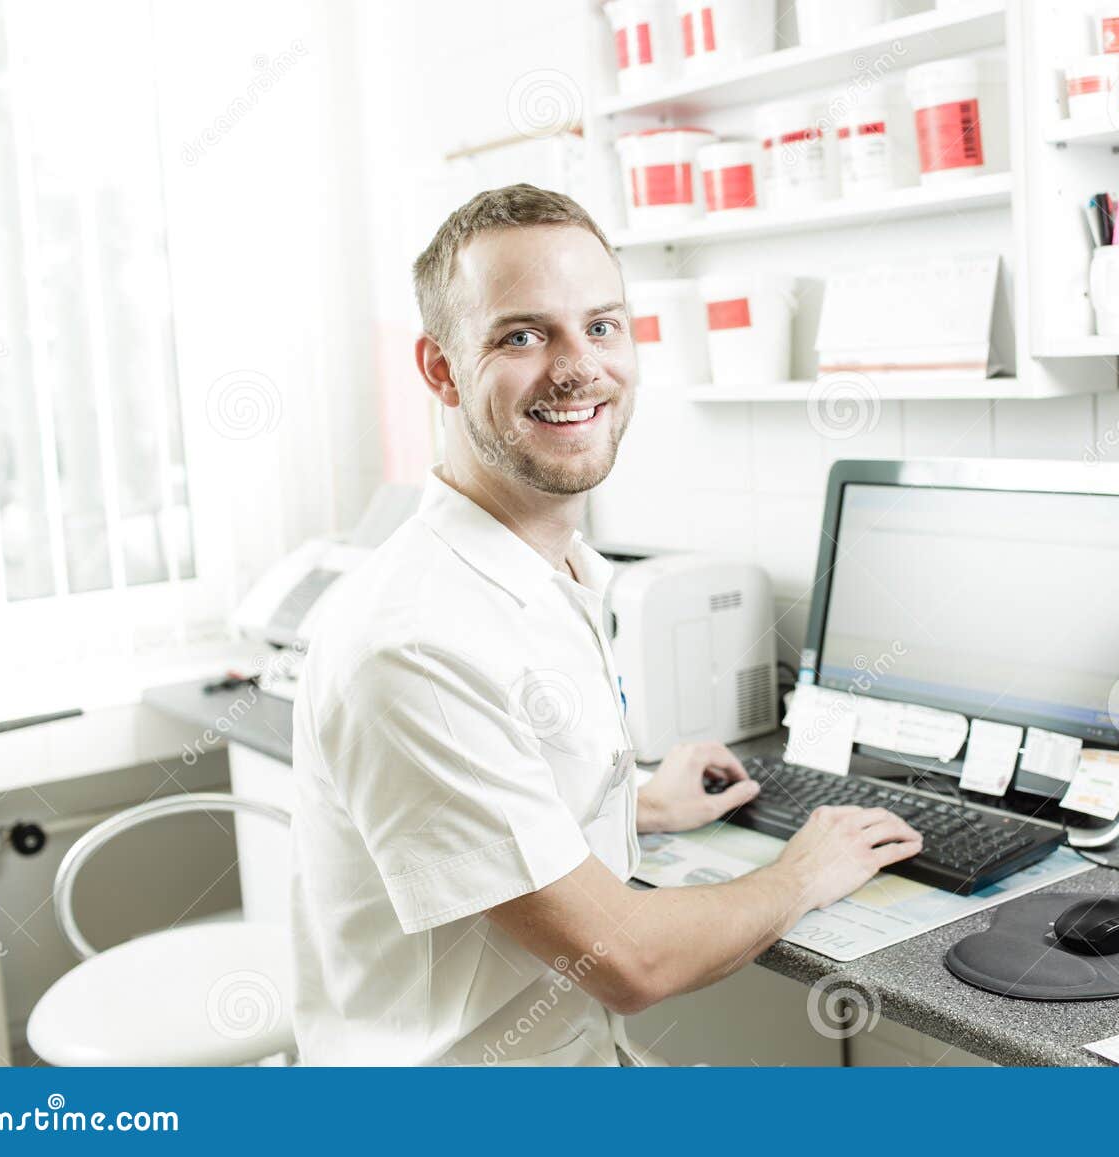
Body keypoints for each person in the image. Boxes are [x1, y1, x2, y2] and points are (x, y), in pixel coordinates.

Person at [289, 183, 922, 1065]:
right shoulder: (413, 641)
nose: (578, 366)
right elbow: (629, 957)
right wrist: (802, 872)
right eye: (522, 334)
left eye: (602, 325)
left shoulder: (559, 569)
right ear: (439, 370)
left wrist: (635, 805)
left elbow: (505, 816)